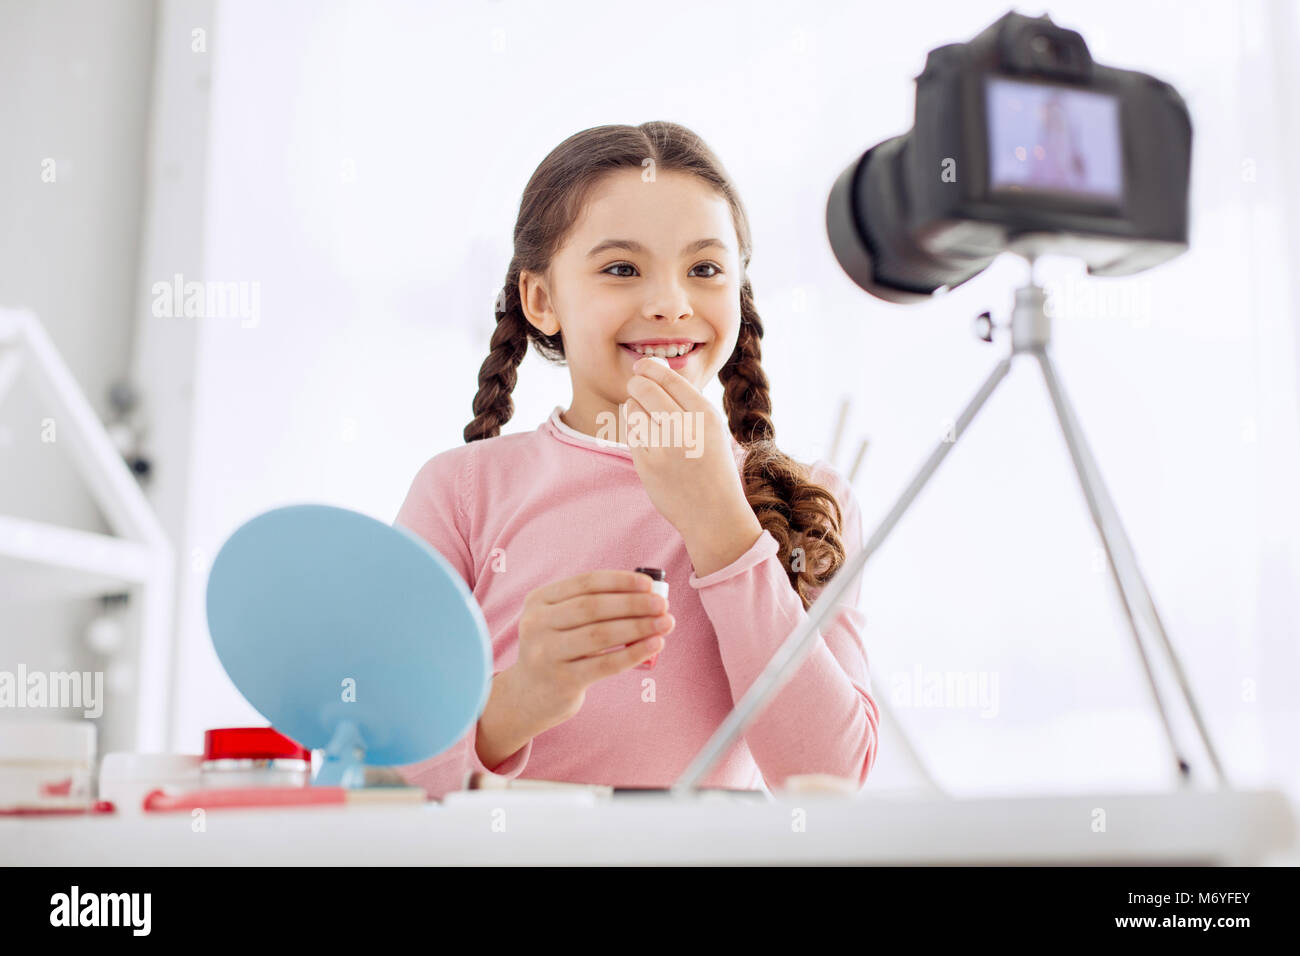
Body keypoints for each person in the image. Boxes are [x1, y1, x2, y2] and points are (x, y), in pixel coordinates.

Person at [393, 121, 879, 798]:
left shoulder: (812, 497)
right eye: (621, 268)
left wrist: (720, 526)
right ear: (541, 300)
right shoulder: (462, 492)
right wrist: (522, 698)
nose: (669, 304)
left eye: (705, 269)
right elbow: (385, 773)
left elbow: (829, 775)